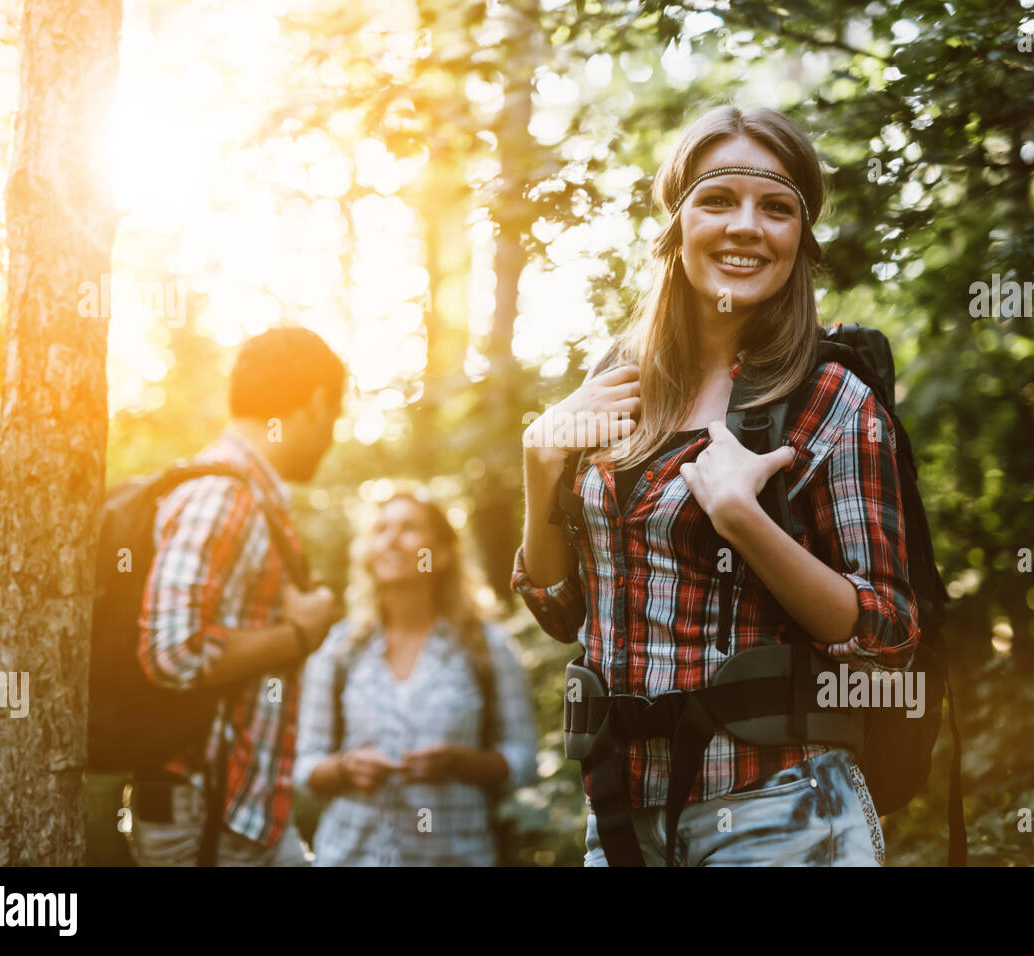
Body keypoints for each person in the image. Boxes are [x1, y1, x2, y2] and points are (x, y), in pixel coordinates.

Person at [512, 104, 919, 866]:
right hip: (622, 819)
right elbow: (562, 610)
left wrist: (745, 520)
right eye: (718, 199)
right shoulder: (617, 386)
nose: (747, 226)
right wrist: (540, 473)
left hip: (782, 814)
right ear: (676, 223)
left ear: (800, 240)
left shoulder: (833, 400)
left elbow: (886, 632)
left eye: (777, 208)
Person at [125, 325, 346, 866]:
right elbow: (172, 649)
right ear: (316, 401)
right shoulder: (224, 495)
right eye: (335, 414)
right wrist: (300, 634)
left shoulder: (249, 493)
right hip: (204, 812)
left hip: (241, 807)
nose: (332, 432)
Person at [294, 486, 538, 866]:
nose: (391, 539)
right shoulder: (339, 649)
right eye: (381, 529)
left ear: (439, 554)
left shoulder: (488, 647)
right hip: (347, 856)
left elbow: (523, 761)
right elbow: (305, 765)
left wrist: (461, 763)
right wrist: (344, 768)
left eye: (409, 528)